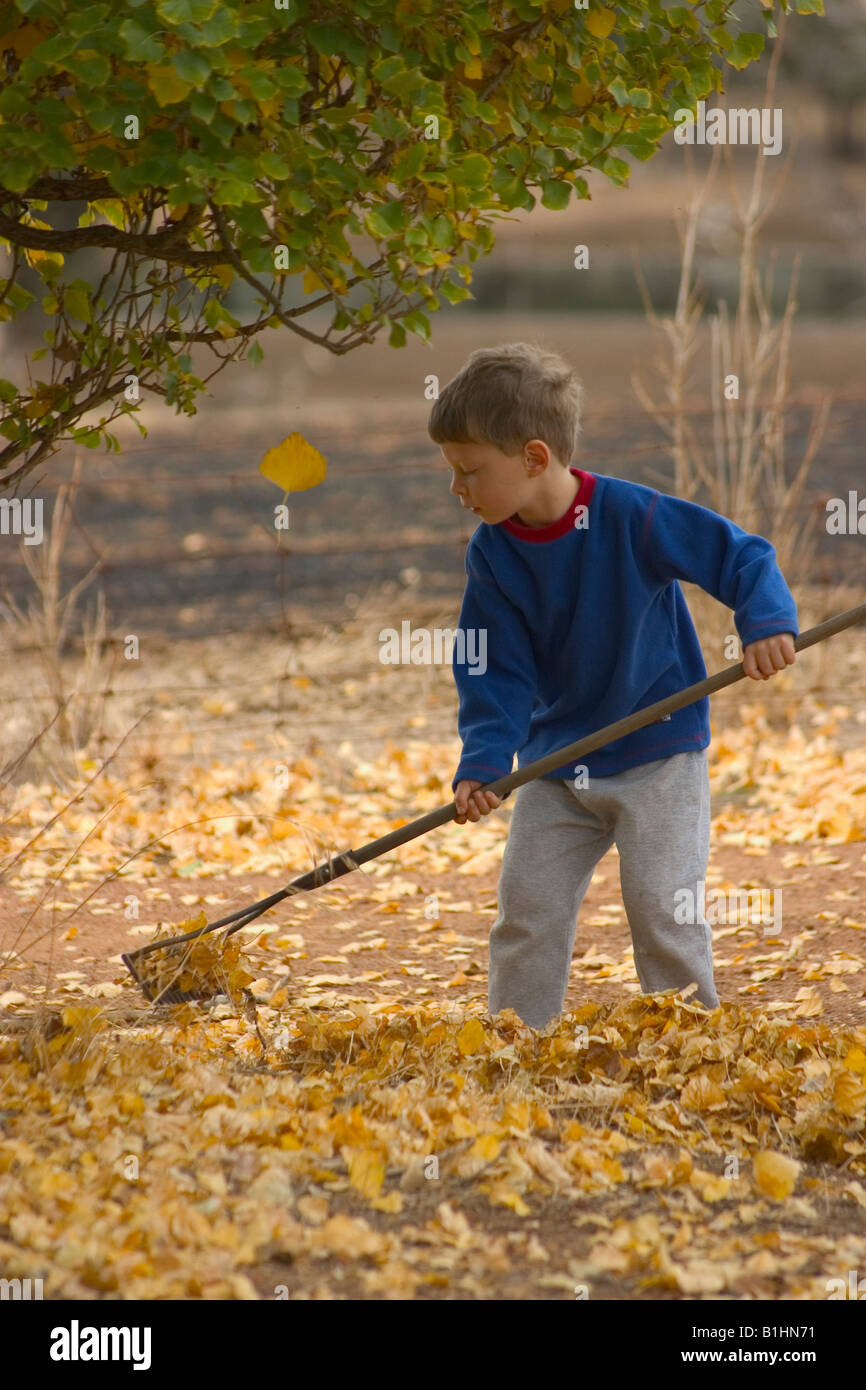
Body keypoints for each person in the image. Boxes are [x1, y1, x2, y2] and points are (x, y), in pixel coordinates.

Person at [428, 342, 797, 1030]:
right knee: (526, 912)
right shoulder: (494, 552)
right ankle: (516, 1042)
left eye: (469, 471)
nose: (458, 489)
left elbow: (740, 556)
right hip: (556, 764)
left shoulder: (633, 517)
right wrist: (484, 761)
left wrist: (766, 622)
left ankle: (691, 1041)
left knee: (663, 909)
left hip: (658, 753)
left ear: (534, 458)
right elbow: (493, 666)